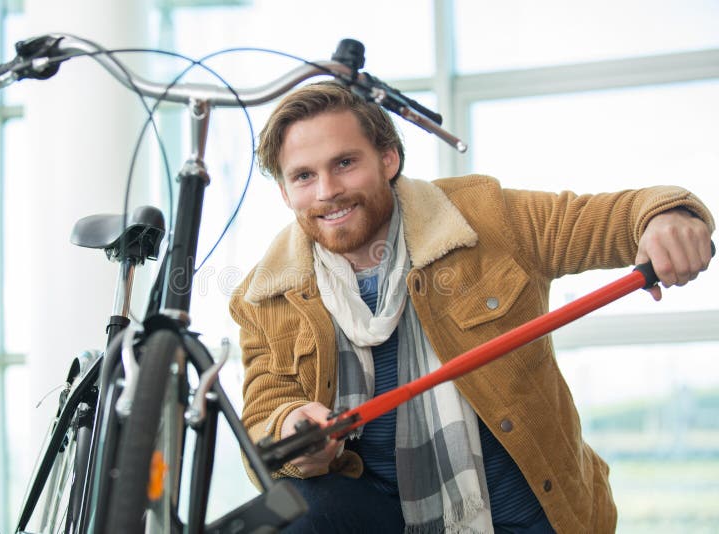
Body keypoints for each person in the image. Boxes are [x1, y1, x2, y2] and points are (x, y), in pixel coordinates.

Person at [229, 81, 714, 534]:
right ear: (285, 191)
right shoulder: (264, 295)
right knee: (284, 507)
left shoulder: (483, 217)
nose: (326, 191)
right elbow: (263, 425)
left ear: (389, 159)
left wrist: (666, 218)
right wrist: (291, 433)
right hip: (382, 516)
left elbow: (616, 217)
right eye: (304, 176)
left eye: (345, 163)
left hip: (530, 518)